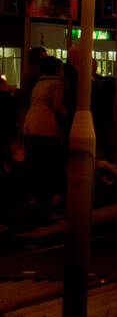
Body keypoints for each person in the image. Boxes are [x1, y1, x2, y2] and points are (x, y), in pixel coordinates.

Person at [22, 55, 66, 215]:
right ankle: (53, 201)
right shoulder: (57, 83)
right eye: (61, 68)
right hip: (45, 126)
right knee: (51, 164)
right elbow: (56, 106)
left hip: (29, 125)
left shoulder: (38, 83)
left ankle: (35, 199)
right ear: (55, 69)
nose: (63, 71)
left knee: (35, 164)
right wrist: (67, 112)